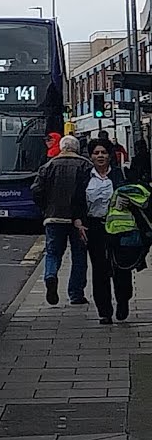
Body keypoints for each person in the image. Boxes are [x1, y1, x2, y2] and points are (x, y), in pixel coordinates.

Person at [31, 134, 91, 306]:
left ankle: (50, 276)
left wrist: (46, 208)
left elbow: (36, 190)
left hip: (53, 217)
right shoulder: (85, 166)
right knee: (79, 255)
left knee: (52, 253)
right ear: (77, 149)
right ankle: (76, 294)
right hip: (78, 219)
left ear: (62, 148)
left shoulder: (48, 166)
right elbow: (89, 192)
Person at [84, 138, 133, 324]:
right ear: (91, 156)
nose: (100, 156)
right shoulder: (85, 177)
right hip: (95, 227)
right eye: (96, 153)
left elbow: (133, 195)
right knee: (100, 269)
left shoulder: (119, 174)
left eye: (103, 152)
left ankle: (123, 301)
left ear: (109, 155)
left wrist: (127, 201)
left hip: (118, 227)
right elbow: (77, 200)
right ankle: (104, 311)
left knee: (121, 267)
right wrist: (79, 221)